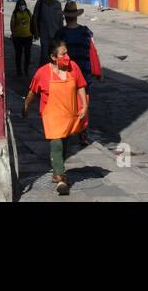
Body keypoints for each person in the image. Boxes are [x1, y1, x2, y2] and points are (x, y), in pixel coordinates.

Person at [23, 39, 89, 196]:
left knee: (64, 143)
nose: (67, 56)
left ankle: (57, 171)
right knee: (56, 143)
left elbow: (80, 85)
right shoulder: (42, 73)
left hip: (69, 113)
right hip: (51, 114)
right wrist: (26, 106)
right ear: (53, 57)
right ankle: (60, 179)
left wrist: (84, 106)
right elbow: (32, 91)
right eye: (63, 54)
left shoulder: (73, 68)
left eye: (67, 52)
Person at [53, 2, 99, 146]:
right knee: (84, 104)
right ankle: (83, 134)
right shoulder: (86, 31)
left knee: (66, 104)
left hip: (67, 74)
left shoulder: (60, 34)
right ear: (76, 16)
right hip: (84, 74)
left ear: (66, 17)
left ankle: (66, 130)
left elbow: (55, 54)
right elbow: (93, 51)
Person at [31, 0, 64, 67]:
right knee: (44, 55)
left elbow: (60, 19)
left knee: (55, 55)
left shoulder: (57, 4)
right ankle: (43, 73)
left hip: (56, 33)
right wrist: (36, 32)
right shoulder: (40, 3)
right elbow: (35, 17)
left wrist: (62, 32)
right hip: (44, 33)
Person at [9, 0, 34, 77]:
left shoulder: (28, 12)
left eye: (23, 5)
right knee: (18, 55)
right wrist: (13, 34)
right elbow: (12, 25)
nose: (22, 6)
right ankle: (19, 71)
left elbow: (32, 22)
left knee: (27, 54)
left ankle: (26, 69)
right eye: (20, 5)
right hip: (18, 37)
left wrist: (34, 32)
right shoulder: (15, 14)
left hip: (28, 37)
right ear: (17, 6)